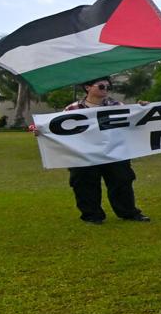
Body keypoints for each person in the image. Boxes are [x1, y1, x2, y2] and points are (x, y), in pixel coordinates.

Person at [30, 76, 150, 224]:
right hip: (83, 154)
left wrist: (143, 109)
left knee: (122, 181)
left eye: (108, 86)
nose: (105, 89)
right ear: (88, 88)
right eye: (101, 86)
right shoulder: (72, 109)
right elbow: (58, 128)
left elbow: (132, 121)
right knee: (84, 184)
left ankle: (129, 213)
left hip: (113, 152)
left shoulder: (117, 105)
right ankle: (92, 216)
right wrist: (41, 131)